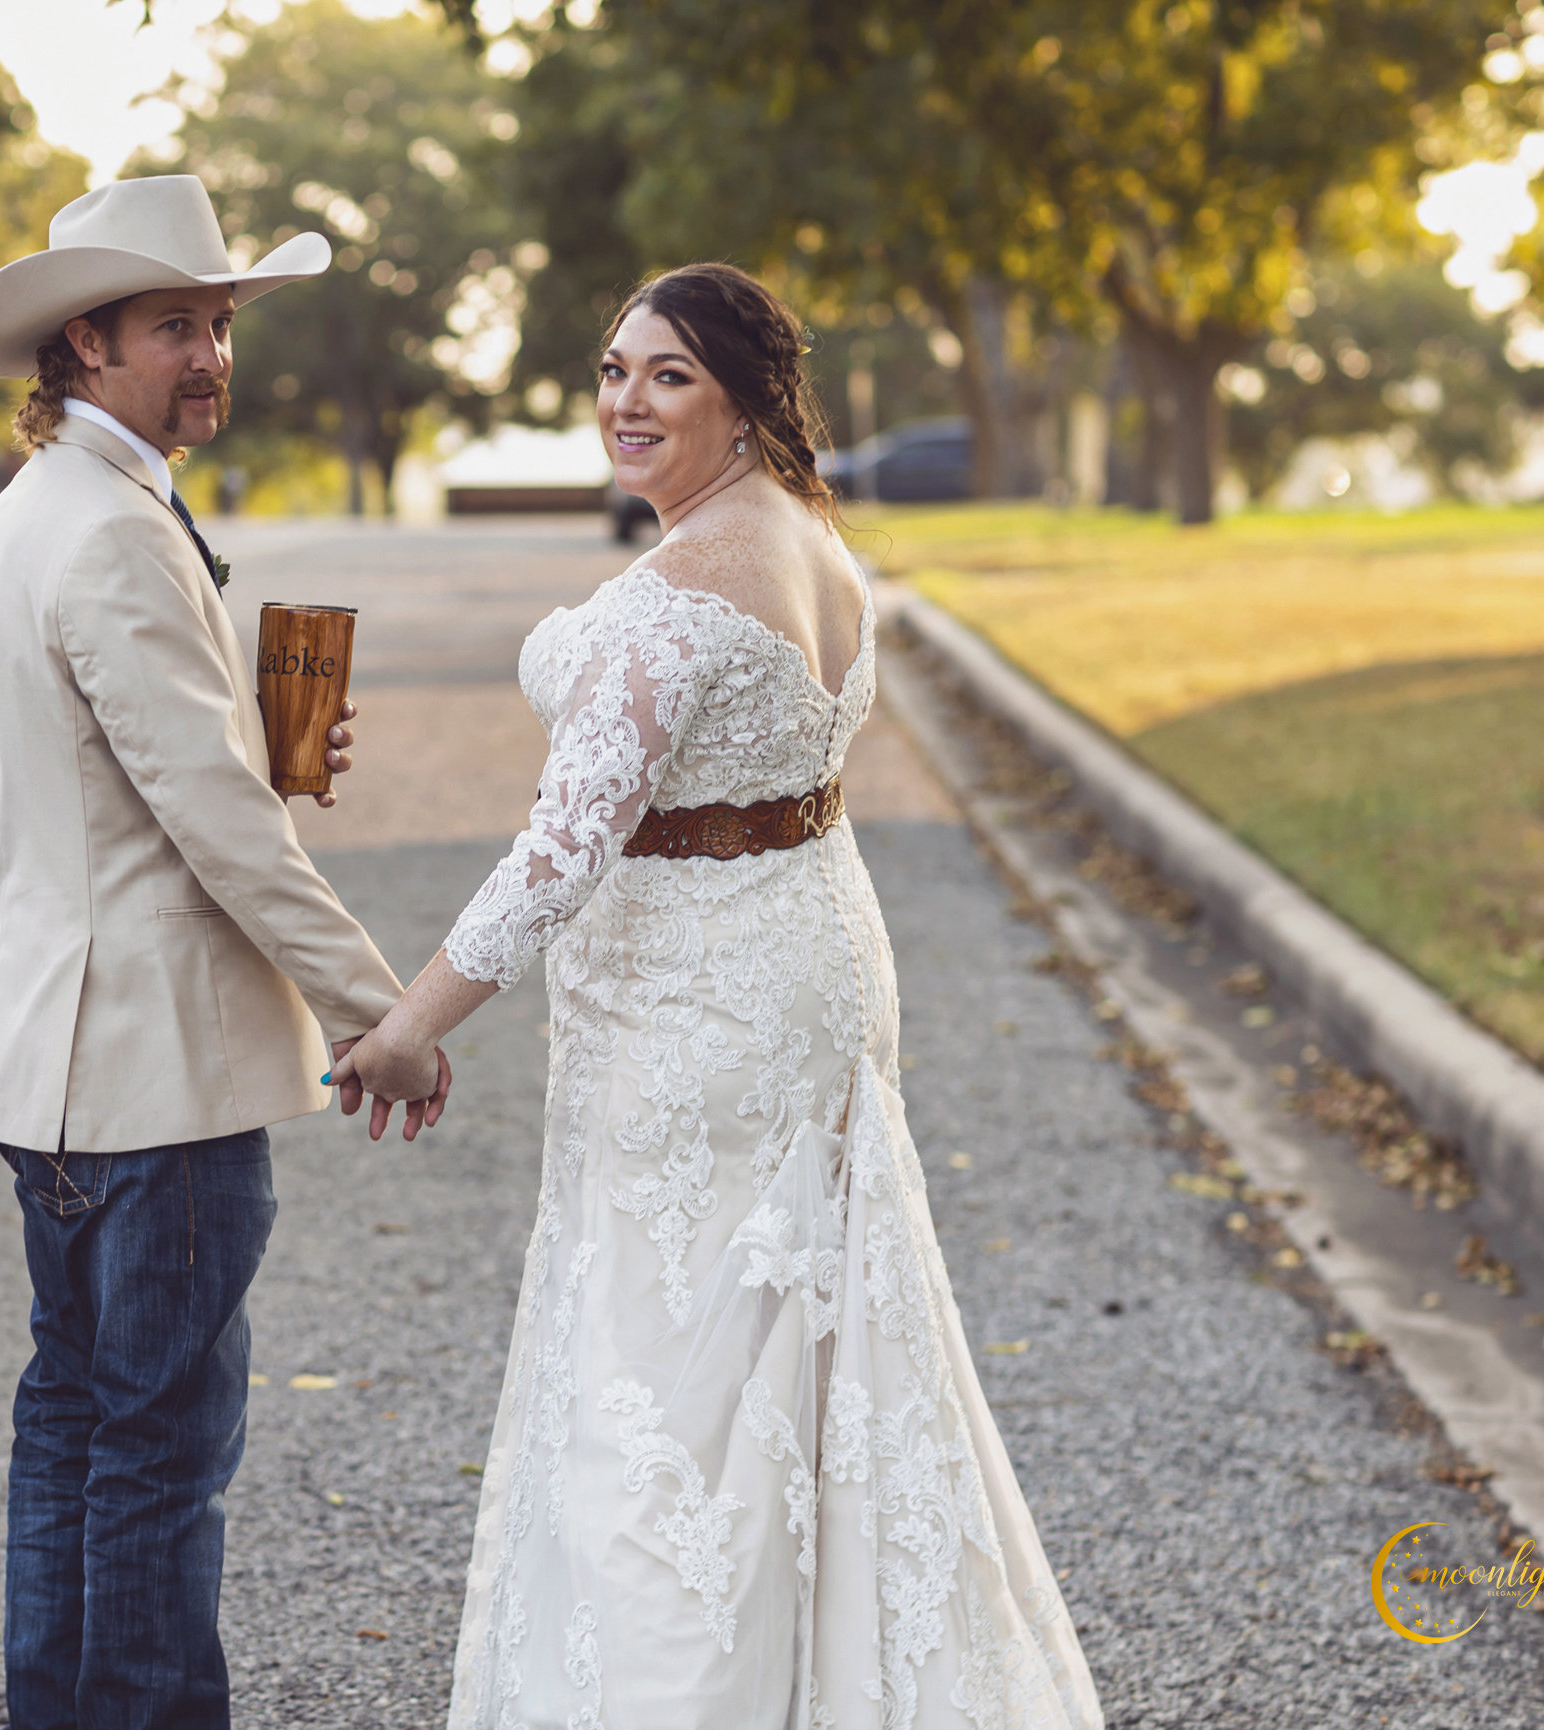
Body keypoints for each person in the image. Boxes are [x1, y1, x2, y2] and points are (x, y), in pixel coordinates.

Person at [332, 264, 1106, 1729]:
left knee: (665, 1399)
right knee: (803, 1362)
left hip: (694, 1017)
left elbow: (560, 851)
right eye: (614, 369)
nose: (627, 400)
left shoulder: (677, 593)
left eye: (669, 375)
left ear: (745, 401)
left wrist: (410, 1023)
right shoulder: (814, 541)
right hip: (807, 959)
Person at [0, 174, 453, 1730]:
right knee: (161, 1447)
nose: (211, 355)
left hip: (58, 1063)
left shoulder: (50, 507)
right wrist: (388, 1010)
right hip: (153, 1082)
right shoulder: (108, 529)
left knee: (79, 1422)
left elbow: (142, 776)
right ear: (86, 342)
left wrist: (263, 742)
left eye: (221, 325)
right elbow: (219, 831)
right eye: (177, 325)